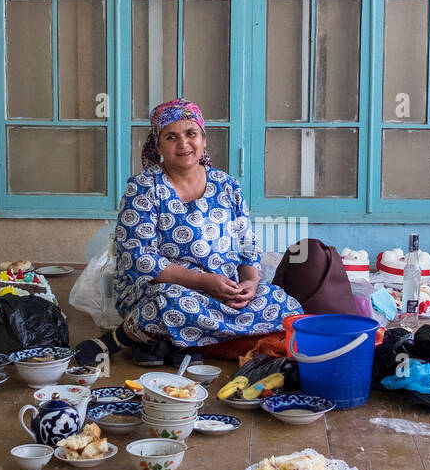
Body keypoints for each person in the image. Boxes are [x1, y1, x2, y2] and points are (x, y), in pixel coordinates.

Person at [75, 99, 303, 366]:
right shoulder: (143, 188)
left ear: (203, 140)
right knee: (169, 304)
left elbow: (247, 246)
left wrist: (249, 284)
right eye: (171, 137)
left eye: (191, 134)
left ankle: (166, 342)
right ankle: (183, 339)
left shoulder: (227, 185)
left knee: (282, 303)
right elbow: (141, 259)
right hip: (165, 289)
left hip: (223, 290)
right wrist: (203, 282)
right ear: (158, 146)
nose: (183, 144)